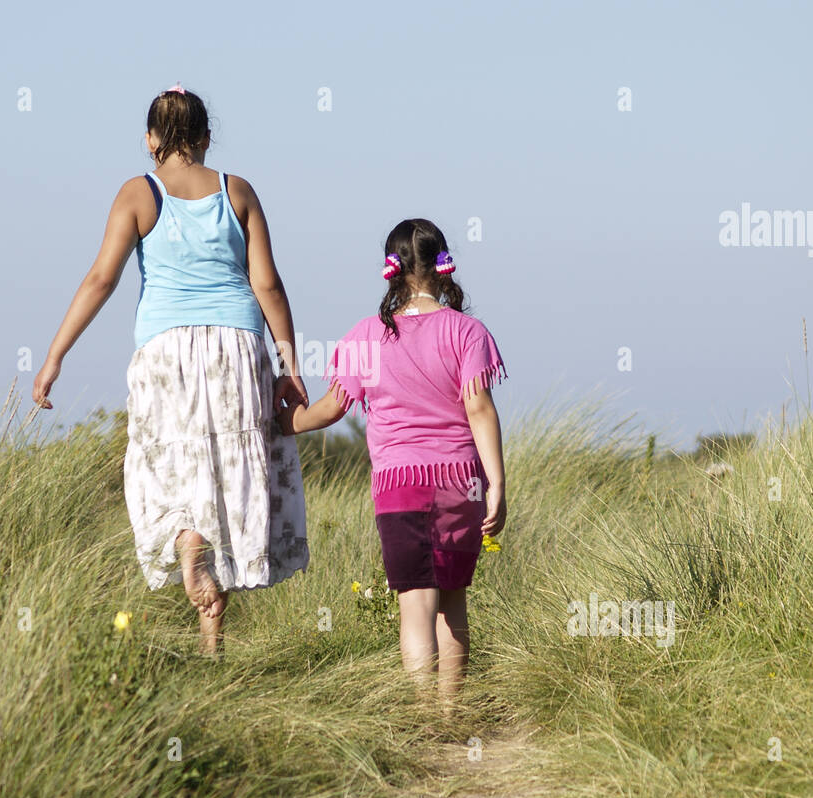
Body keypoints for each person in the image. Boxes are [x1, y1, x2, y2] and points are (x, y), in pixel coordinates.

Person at [33, 85, 309, 652]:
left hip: (164, 352)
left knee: (165, 466)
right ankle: (213, 639)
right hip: (235, 345)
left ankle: (188, 547)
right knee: (225, 474)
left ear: (151, 140)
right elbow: (268, 284)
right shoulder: (239, 192)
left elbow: (100, 280)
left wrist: (55, 355)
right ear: (207, 138)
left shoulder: (139, 193)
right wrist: (290, 362)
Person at [276, 218, 506, 705]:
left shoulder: (366, 337)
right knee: (453, 604)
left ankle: (421, 718)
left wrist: (284, 423)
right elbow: (479, 407)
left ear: (391, 270)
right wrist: (498, 486)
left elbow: (332, 407)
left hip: (398, 485)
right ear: (443, 265)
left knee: (414, 607)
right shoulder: (467, 331)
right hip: (460, 483)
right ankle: (450, 714)